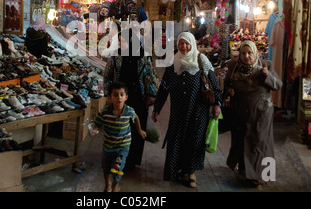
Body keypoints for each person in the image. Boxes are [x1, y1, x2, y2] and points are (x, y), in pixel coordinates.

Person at [152, 31, 222, 188]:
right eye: (181, 44)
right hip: (178, 110)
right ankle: (178, 170)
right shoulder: (173, 62)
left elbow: (213, 84)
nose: (184, 47)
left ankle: (190, 172)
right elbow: (164, 87)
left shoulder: (201, 60)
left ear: (192, 44)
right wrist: (157, 107)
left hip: (198, 111)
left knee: (193, 140)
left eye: (187, 43)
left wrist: (217, 104)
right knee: (177, 139)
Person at [223, 40, 282, 186]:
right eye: (243, 53)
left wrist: (267, 75)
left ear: (255, 53)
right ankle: (245, 169)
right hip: (241, 111)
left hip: (261, 112)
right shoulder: (234, 67)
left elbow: (278, 85)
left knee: (260, 142)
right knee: (243, 140)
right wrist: (229, 90)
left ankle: (260, 174)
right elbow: (227, 83)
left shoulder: (265, 66)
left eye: (250, 53)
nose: (247, 56)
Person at [103, 28, 159, 170]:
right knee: (119, 128)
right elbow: (107, 76)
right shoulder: (116, 57)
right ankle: (118, 157)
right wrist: (108, 94)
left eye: (123, 41)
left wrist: (151, 94)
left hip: (138, 97)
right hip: (119, 99)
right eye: (119, 41)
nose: (120, 43)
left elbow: (151, 76)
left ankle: (132, 159)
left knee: (136, 128)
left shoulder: (143, 57)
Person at [91, 81, 147, 192]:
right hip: (108, 145)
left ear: (126, 97)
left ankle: (115, 183)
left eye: (122, 94)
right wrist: (95, 129)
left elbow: (136, 118)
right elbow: (98, 123)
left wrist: (139, 130)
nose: (119, 97)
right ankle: (107, 183)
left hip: (123, 145)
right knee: (106, 166)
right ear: (109, 97)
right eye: (115, 95)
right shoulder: (104, 112)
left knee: (118, 166)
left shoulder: (129, 111)